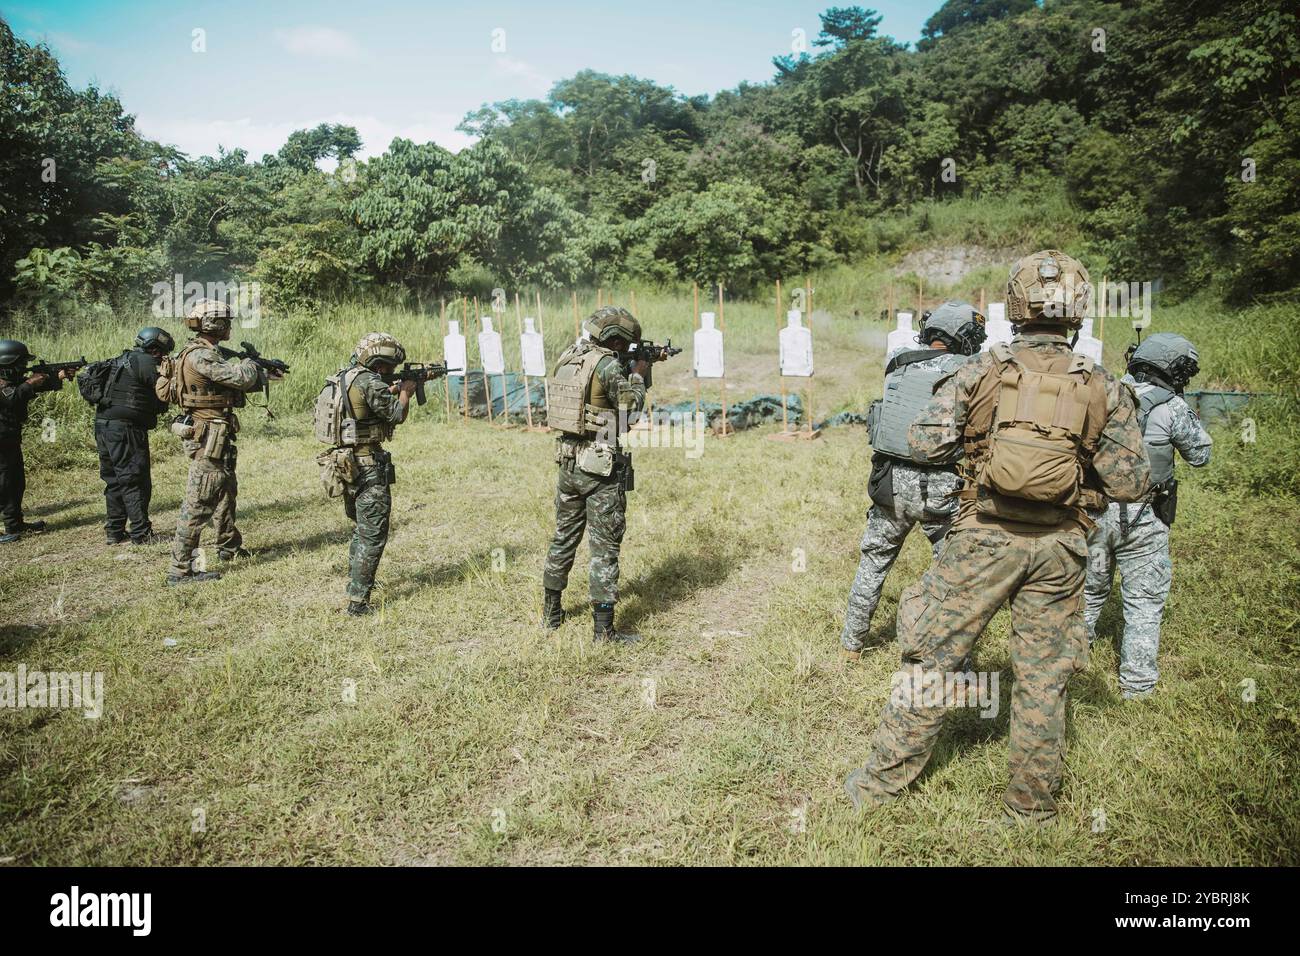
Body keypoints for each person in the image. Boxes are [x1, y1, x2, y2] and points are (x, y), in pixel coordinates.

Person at [844, 250, 1151, 823]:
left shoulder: (982, 369)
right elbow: (1132, 483)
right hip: (1061, 547)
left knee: (932, 659)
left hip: (981, 538)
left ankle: (876, 789)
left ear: (1016, 306)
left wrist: (984, 443)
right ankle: (1030, 808)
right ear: (1077, 311)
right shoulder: (1104, 385)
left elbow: (923, 443)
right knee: (1043, 677)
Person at [841, 301, 987, 659]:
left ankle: (851, 646)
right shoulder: (971, 372)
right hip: (944, 488)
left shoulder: (898, 362)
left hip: (889, 483)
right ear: (965, 337)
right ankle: (956, 663)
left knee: (873, 563)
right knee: (954, 579)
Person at [1083, 332, 1211, 699]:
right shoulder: (1172, 407)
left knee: (1088, 592)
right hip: (1146, 515)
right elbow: (1200, 456)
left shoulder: (1102, 393)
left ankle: (1069, 665)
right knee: (1143, 603)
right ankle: (1137, 689)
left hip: (1095, 510)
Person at [542, 306, 651, 642]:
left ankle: (551, 613)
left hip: (568, 463)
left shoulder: (570, 357)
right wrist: (639, 373)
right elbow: (630, 407)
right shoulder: (606, 365)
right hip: (599, 468)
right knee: (604, 547)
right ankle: (603, 631)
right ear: (615, 340)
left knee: (563, 537)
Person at [164, 299, 277, 586]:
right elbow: (238, 377)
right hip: (208, 436)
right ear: (214, 324)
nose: (229, 327)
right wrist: (252, 364)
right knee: (199, 503)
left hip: (218, 433)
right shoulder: (201, 355)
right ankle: (180, 570)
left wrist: (261, 373)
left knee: (226, 492)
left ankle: (229, 546)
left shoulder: (206, 352)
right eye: (226, 322)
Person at [315, 333, 418, 616]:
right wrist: (406, 391)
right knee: (373, 534)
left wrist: (394, 389)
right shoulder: (370, 381)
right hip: (368, 464)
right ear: (380, 362)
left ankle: (357, 583)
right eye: (388, 365)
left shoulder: (347, 376)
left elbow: (366, 405)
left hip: (347, 462)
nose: (390, 370)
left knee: (361, 528)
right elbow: (396, 414)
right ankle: (358, 602)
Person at [94, 327, 174, 546]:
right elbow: (165, 392)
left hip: (104, 426)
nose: (163, 357)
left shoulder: (122, 359)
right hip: (125, 430)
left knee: (114, 480)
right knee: (134, 479)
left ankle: (115, 531)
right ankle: (141, 533)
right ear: (155, 349)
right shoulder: (147, 362)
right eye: (163, 352)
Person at [0, 339, 75, 543]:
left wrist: (56, 377)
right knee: (5, 483)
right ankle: (9, 528)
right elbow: (12, 397)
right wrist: (30, 382)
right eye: (20, 364)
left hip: (9, 439)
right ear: (8, 364)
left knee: (16, 481)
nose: (23, 368)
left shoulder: (12, 380)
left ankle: (15, 523)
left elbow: (30, 388)